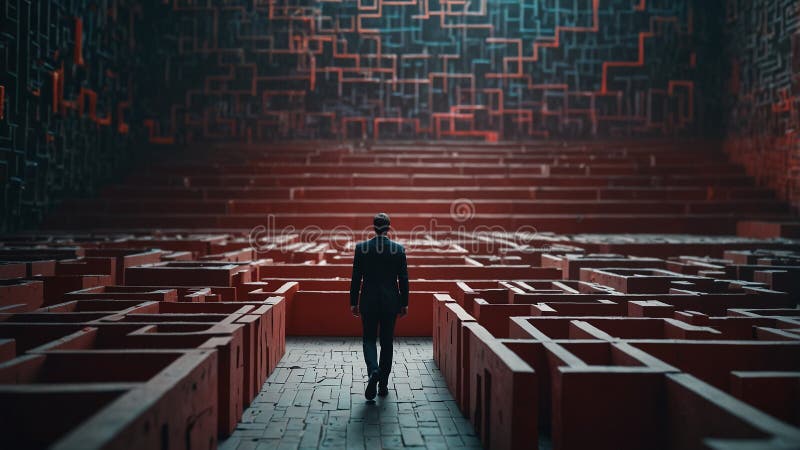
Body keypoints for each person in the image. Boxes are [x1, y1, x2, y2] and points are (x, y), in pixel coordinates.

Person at [350, 212, 409, 400]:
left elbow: (356, 278)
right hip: (390, 302)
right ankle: (382, 384)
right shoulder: (398, 250)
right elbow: (403, 279)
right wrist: (404, 303)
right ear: (389, 227)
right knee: (387, 342)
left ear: (374, 227)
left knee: (368, 339)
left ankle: (373, 370)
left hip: (368, 301)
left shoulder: (362, 248)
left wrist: (353, 302)